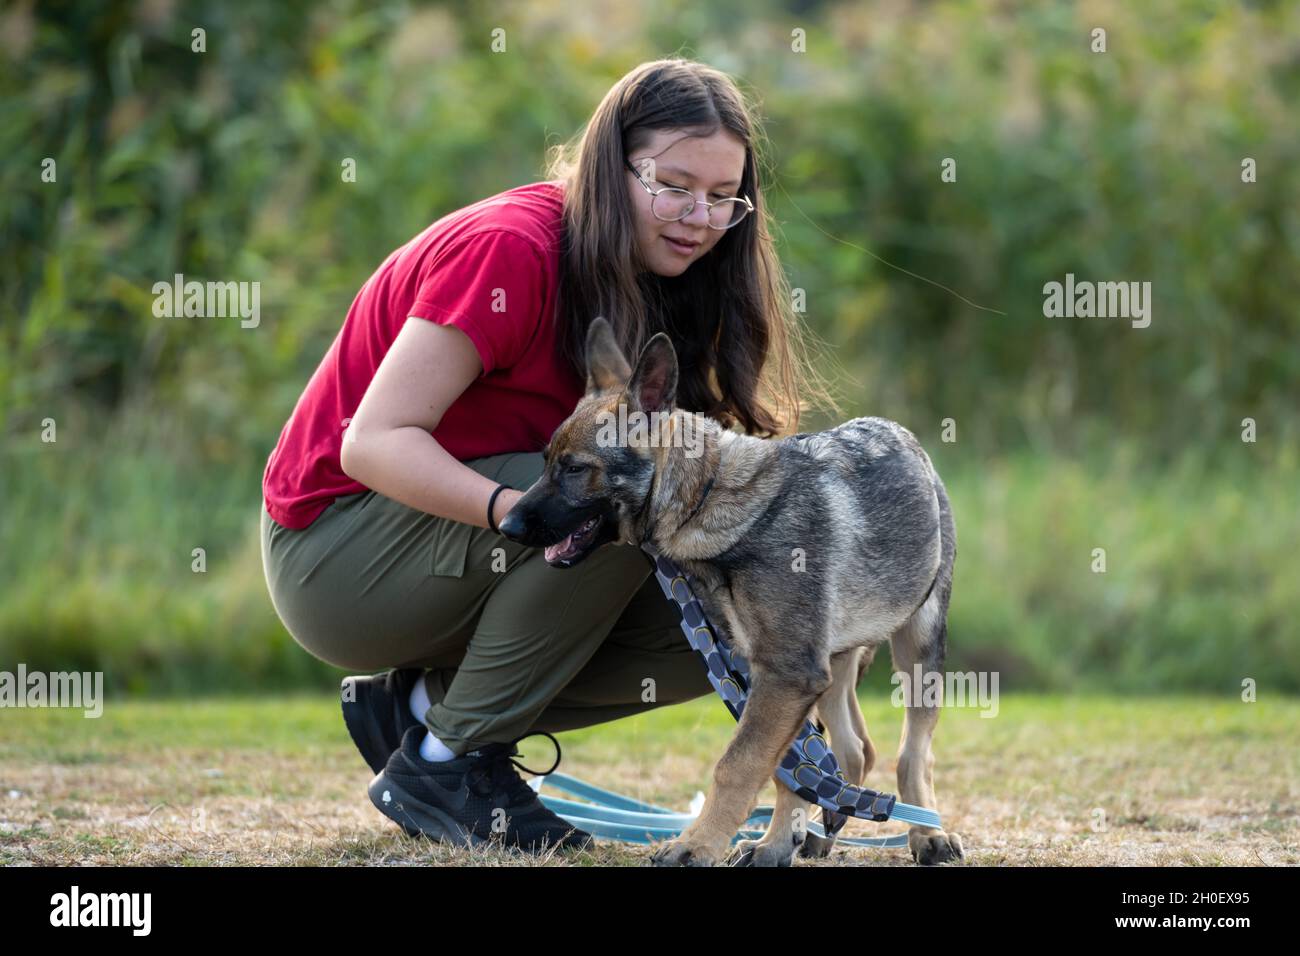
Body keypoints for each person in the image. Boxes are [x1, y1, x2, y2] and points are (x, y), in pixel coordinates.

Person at [258, 56, 831, 856]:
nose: (699, 215)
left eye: (722, 197)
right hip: (336, 555)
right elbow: (373, 442)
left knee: (734, 598)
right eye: (672, 184)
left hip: (462, 553)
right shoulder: (509, 251)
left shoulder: (677, 276)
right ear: (611, 165)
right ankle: (446, 763)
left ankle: (429, 712)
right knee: (627, 499)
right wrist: (519, 517)